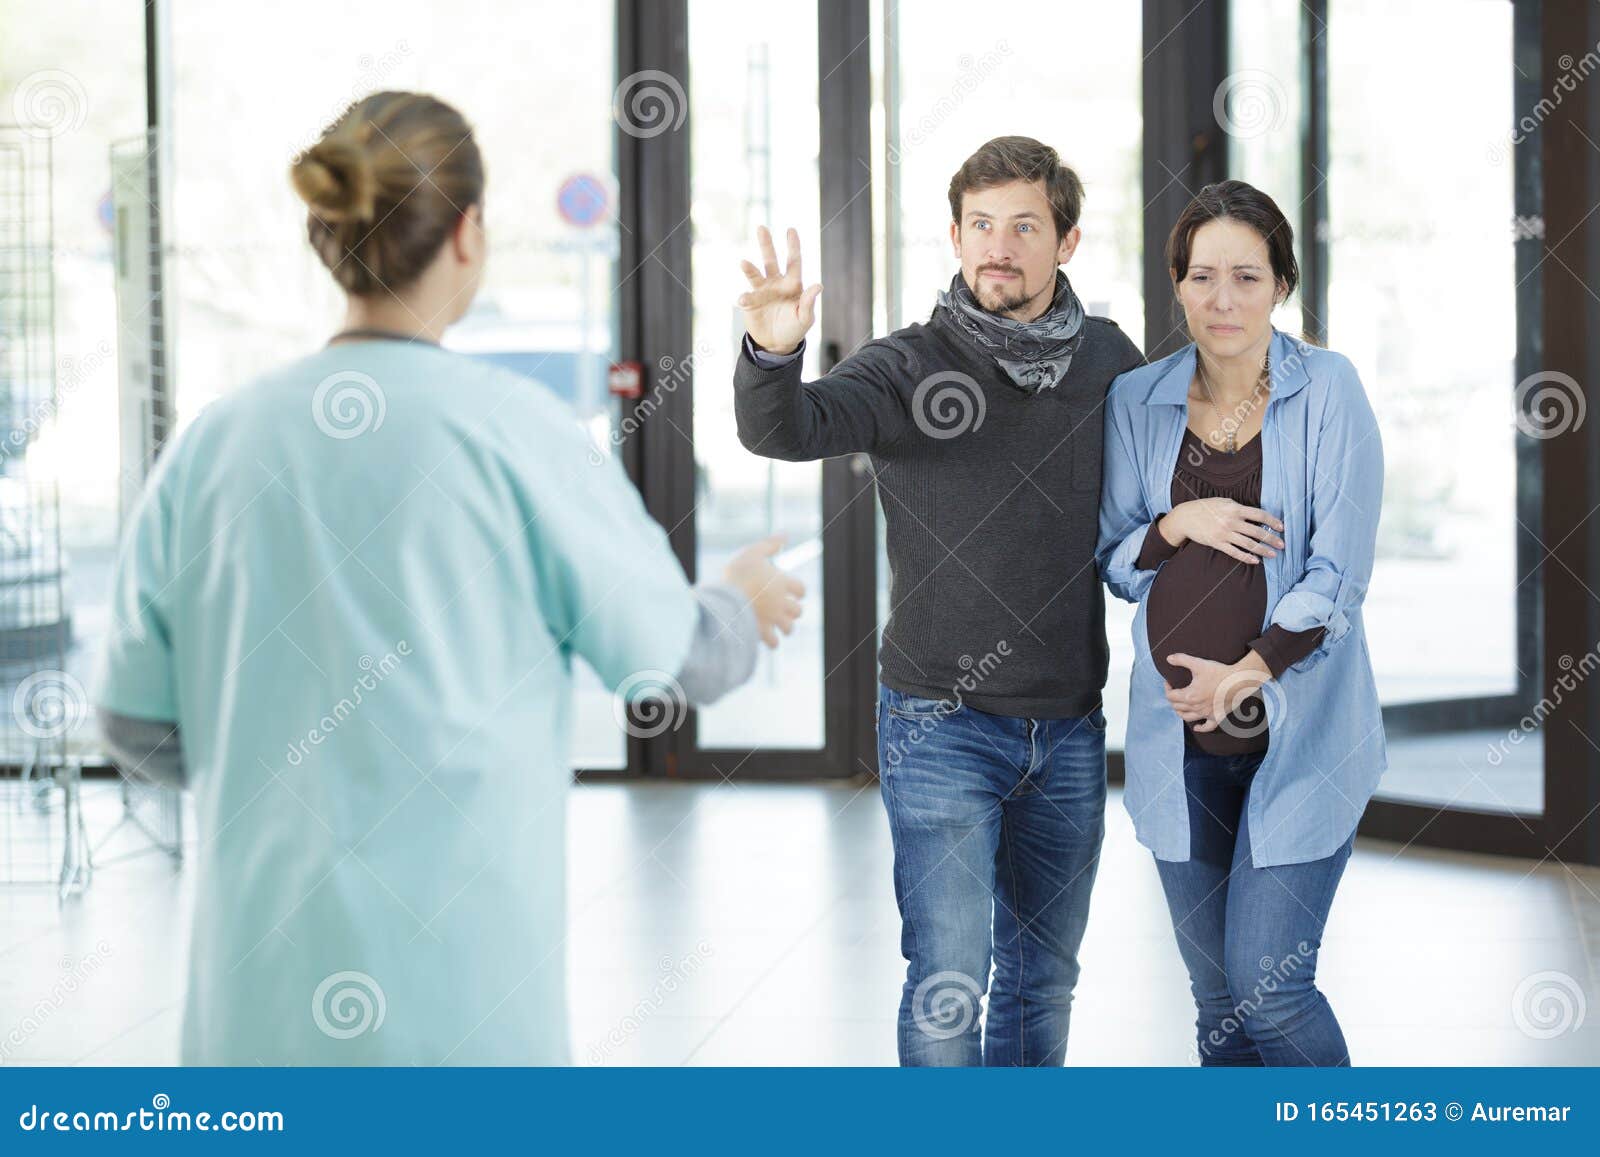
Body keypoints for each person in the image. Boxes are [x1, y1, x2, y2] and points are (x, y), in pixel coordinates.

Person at [93, 90, 804, 1065]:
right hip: (463, 1012)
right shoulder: (514, 433)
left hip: (253, 1019)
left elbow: (139, 726)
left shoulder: (215, 442)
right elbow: (681, 665)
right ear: (467, 232)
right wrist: (739, 598)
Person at [734, 136, 1144, 1065]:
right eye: (982, 225)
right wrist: (772, 349)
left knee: (1044, 977)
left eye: (1025, 226)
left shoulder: (1110, 361)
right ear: (956, 238)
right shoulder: (907, 366)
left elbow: (1168, 465)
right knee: (950, 981)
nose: (1000, 246)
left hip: (1069, 724)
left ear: (1066, 242)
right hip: (938, 723)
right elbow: (785, 428)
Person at [1096, 179, 1386, 1066]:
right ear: (1177, 284)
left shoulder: (1329, 389)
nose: (1223, 300)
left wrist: (1248, 671)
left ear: (1281, 285)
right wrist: (1175, 525)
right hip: (1177, 747)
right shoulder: (1136, 400)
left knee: (1270, 986)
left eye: (1247, 277)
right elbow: (1112, 558)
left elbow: (1339, 576)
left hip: (1300, 739)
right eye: (1203, 276)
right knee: (1218, 999)